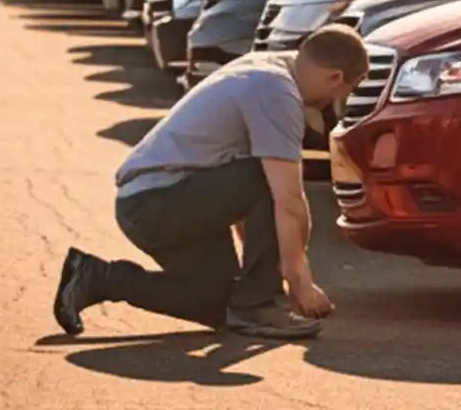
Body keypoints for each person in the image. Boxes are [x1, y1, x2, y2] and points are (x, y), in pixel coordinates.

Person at [52, 25, 369, 339]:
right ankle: (259, 307)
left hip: (159, 202)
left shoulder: (270, 68)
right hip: (155, 202)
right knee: (271, 180)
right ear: (335, 78)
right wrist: (297, 280)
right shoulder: (276, 91)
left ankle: (95, 277)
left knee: (218, 303)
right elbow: (287, 200)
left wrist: (258, 271)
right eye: (343, 93)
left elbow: (247, 200)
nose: (334, 102)